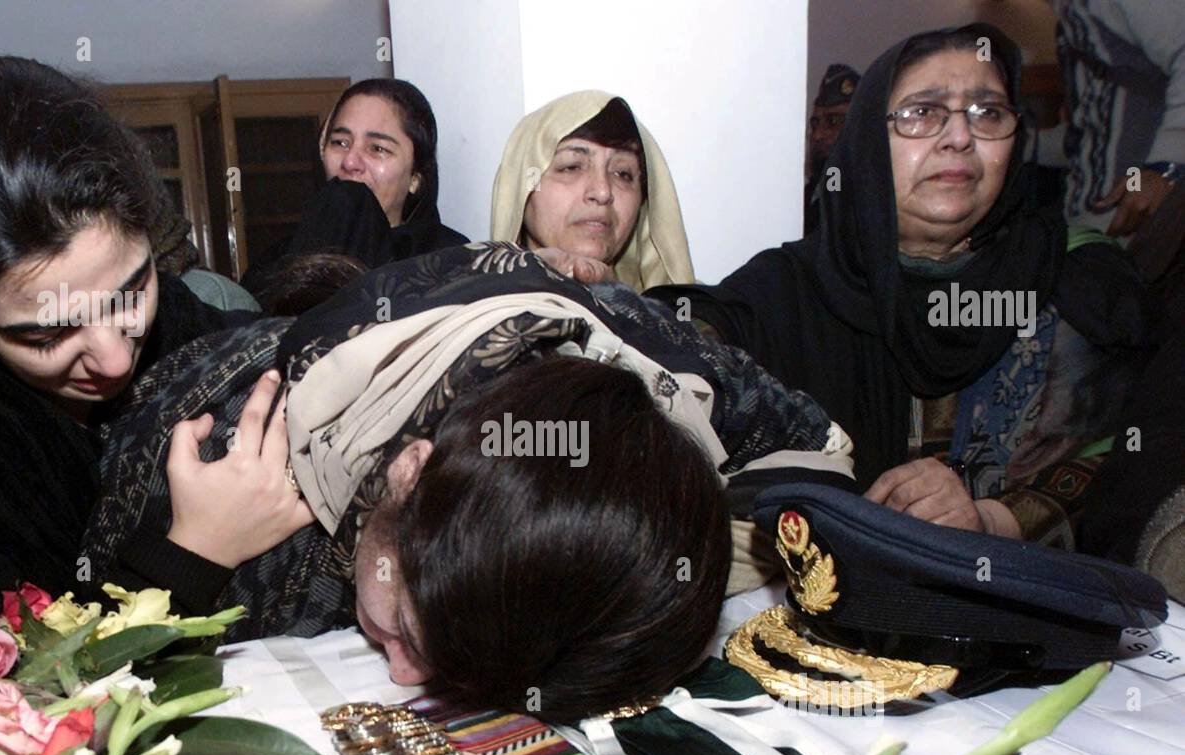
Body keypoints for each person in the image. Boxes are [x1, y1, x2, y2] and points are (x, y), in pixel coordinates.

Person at [82, 241, 852, 719]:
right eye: (411, 632)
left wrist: (674, 534)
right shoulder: (222, 452)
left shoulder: (664, 364)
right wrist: (195, 556)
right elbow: (70, 683)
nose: (406, 676)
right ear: (409, 472)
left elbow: (821, 448)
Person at [651, 24, 1157, 548]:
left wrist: (994, 520)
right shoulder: (792, 286)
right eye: (922, 113)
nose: (959, 138)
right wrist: (588, 291)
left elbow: (1136, 457)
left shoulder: (1077, 281)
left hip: (1032, 617)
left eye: (988, 113)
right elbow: (677, 352)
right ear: (869, 140)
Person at [0, 57, 306, 595]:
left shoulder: (172, 316)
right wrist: (199, 550)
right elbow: (4, 671)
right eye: (48, 335)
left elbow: (266, 342)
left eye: (131, 292)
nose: (114, 356)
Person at [240, 78, 466, 297]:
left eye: (377, 148)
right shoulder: (272, 264)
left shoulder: (450, 264)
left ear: (415, 179)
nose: (349, 162)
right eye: (340, 142)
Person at [490, 90, 694, 291]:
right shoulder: (467, 312)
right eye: (571, 167)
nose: (603, 191)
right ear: (523, 187)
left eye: (623, 173)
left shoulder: (693, 314)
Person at [1038, 0, 1185, 239]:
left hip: (1134, 229)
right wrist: (1022, 143)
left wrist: (1165, 168)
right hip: (1090, 227)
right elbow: (1095, 137)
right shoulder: (1073, 15)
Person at [805, 63, 860, 235]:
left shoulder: (873, 198)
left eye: (834, 121)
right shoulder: (808, 195)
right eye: (815, 124)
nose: (818, 135)